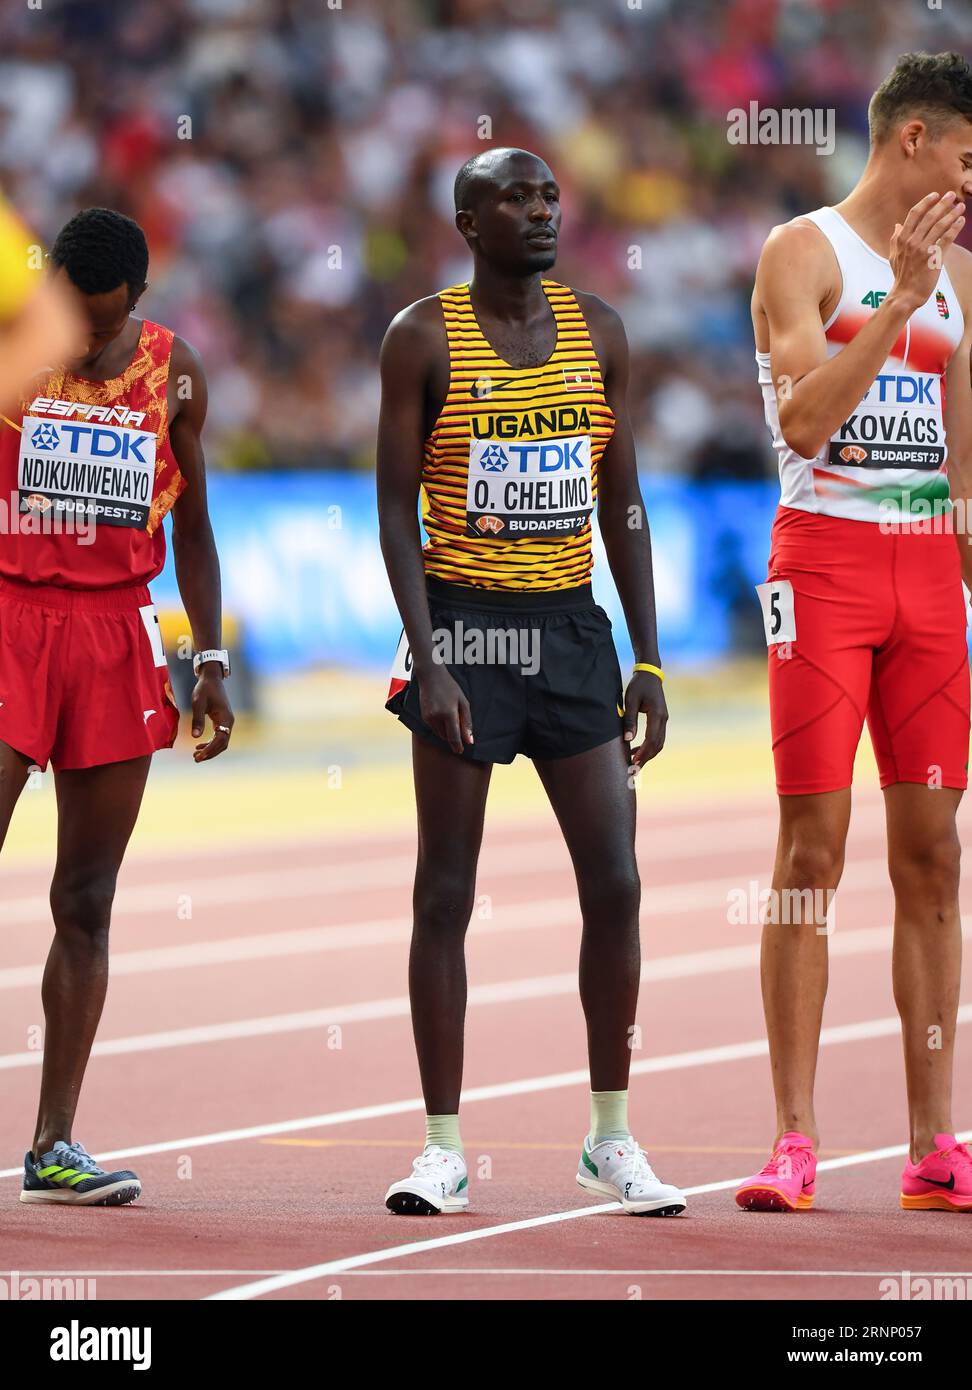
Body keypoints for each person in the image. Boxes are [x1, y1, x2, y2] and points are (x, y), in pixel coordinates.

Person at [377, 147, 685, 1217]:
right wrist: (431, 658)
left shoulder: (600, 331)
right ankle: (443, 1148)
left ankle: (610, 1135)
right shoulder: (421, 337)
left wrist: (646, 657)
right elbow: (392, 515)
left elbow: (626, 504)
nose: (541, 210)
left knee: (618, 883)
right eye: (514, 196)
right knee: (445, 894)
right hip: (466, 623)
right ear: (468, 221)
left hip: (569, 631)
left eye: (550, 194)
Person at [740, 51, 972, 1213]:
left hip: (929, 574)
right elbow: (807, 416)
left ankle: (935, 1140)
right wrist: (894, 300)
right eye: (969, 157)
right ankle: (794, 1137)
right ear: (915, 140)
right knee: (811, 852)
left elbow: (965, 465)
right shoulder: (804, 251)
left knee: (935, 856)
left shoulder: (965, 282)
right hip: (825, 561)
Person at [0, 207, 234, 1206]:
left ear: (135, 298)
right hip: (10, 615)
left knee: (85, 901)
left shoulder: (176, 375)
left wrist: (211, 658)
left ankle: (54, 1143)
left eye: (101, 323)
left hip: (114, 635)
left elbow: (199, 524)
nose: (84, 342)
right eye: (70, 318)